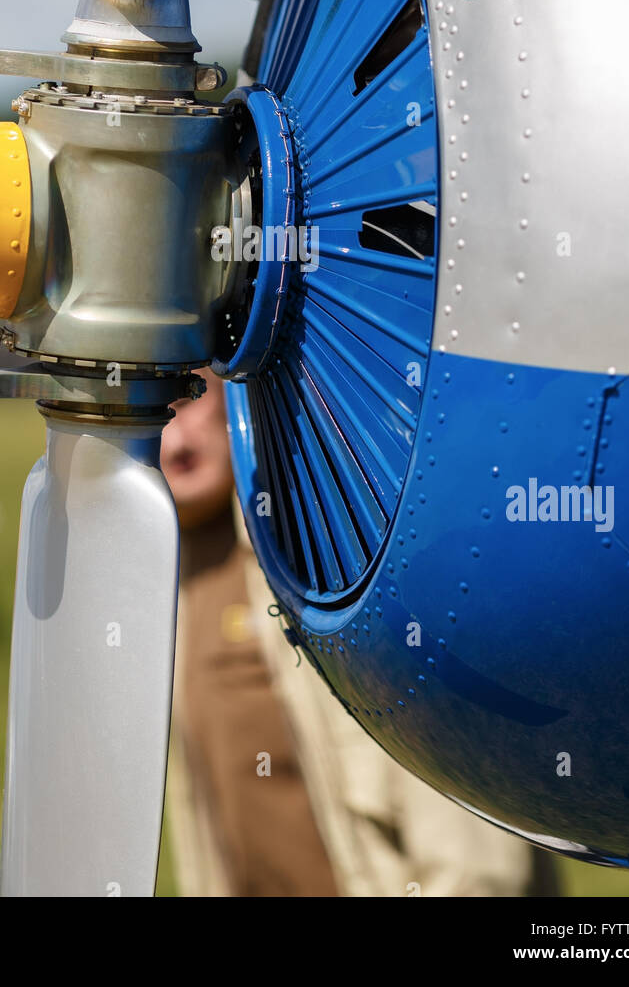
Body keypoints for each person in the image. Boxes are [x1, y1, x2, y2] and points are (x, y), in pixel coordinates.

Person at [161, 370, 558, 898]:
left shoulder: (348, 542)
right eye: (150, 400)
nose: (176, 435)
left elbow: (475, 863)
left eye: (191, 394)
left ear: (242, 383)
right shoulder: (169, 573)